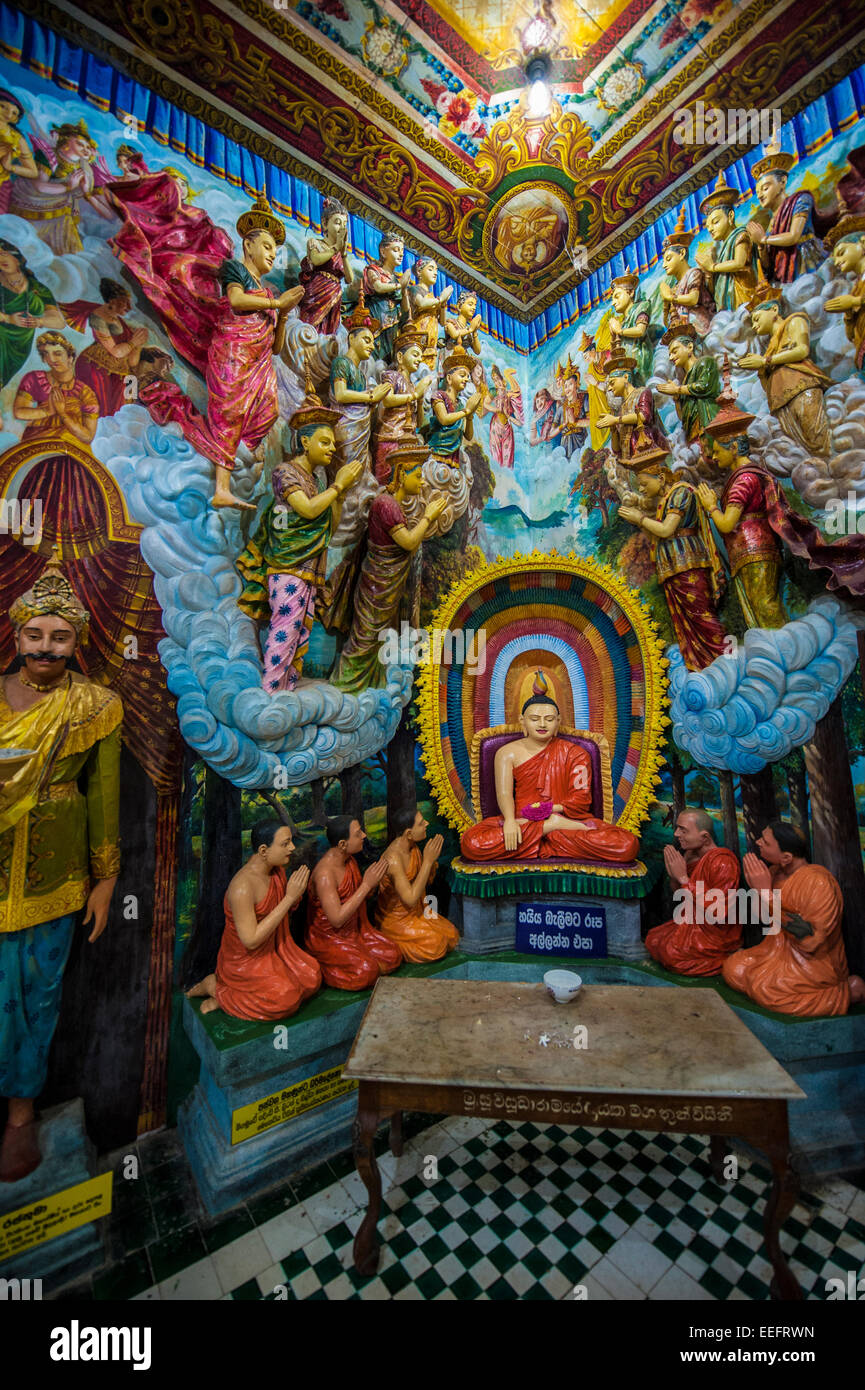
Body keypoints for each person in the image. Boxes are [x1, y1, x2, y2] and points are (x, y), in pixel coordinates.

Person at [0, 553, 122, 1181]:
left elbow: (103, 797)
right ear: (16, 635)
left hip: (56, 872)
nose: (46, 648)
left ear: (76, 642)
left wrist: (105, 879)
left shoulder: (93, 706)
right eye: (35, 635)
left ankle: (21, 1115)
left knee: (37, 994)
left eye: (60, 637)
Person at [140, 196, 304, 508]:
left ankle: (232, 460)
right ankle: (222, 486)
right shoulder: (235, 270)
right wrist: (275, 305)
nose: (272, 255)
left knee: (268, 411)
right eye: (267, 247)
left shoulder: (269, 292)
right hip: (233, 351)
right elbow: (237, 302)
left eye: (275, 250)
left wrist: (283, 315)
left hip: (260, 361)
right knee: (230, 411)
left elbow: (278, 347)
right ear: (249, 246)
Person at [235, 385, 362, 692]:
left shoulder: (317, 481)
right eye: (325, 441)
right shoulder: (285, 473)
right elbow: (305, 511)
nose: (331, 448)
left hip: (308, 569)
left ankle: (286, 693)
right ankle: (270, 696)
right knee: (284, 633)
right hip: (287, 566)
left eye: (333, 443)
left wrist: (339, 489)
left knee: (300, 636)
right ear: (305, 441)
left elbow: (328, 523)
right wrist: (337, 486)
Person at [459, 686, 639, 863]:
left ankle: (543, 838)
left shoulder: (575, 753)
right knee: (471, 843)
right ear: (523, 721)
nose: (542, 724)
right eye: (535, 719)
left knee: (627, 845)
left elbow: (582, 800)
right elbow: (504, 793)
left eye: (549, 719)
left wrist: (550, 810)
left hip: (567, 822)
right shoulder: (507, 753)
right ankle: (548, 830)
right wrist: (509, 822)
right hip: (522, 822)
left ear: (558, 721)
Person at [326, 444, 446, 692]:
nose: (422, 482)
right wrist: (428, 516)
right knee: (366, 639)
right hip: (376, 585)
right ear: (402, 474)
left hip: (385, 586)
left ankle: (368, 688)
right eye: (418, 475)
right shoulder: (386, 504)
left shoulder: (393, 505)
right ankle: (345, 687)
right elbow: (409, 542)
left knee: (377, 641)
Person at [722, 823, 865, 1016]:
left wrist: (766, 895)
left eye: (765, 842)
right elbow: (766, 919)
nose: (758, 843)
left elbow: (810, 940)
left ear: (786, 857)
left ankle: (849, 992)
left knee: (765, 989)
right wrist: (758, 889)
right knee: (734, 968)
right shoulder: (772, 873)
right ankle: (763, 977)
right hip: (775, 952)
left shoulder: (818, 883)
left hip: (811, 961)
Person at [186, 822, 320, 1020]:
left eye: (291, 842)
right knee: (286, 999)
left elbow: (282, 910)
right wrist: (289, 898)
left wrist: (295, 894)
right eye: (285, 844)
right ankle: (215, 988)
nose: (292, 848)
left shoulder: (277, 871)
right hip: (245, 962)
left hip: (276, 951)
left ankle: (231, 993)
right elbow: (250, 940)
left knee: (312, 976)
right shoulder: (242, 887)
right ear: (264, 850)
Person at [619, 460, 727, 670]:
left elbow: (667, 529)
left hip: (688, 562)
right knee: (687, 624)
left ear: (660, 478)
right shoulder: (665, 500)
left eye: (642, 483)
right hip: (673, 568)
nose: (641, 489)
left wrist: (639, 518)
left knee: (703, 619)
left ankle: (723, 663)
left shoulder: (681, 493)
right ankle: (700, 669)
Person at [305, 816, 401, 991]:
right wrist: (366, 885)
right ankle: (327, 968)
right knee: (367, 971)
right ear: (342, 844)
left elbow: (357, 899)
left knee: (392, 954)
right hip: (330, 939)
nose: (364, 836)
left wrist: (374, 884)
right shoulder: (325, 874)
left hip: (355, 932)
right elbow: (336, 919)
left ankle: (362, 959)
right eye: (358, 834)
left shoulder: (349, 861)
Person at [645, 810, 742, 976]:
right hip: (691, 922)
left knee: (672, 955)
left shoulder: (723, 862)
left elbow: (719, 912)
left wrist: (683, 878)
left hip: (716, 931)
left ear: (704, 837)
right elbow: (682, 896)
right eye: (677, 829)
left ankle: (727, 957)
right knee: (653, 939)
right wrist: (674, 877)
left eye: (683, 830)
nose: (676, 834)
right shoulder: (691, 855)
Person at [739, 290, 832, 457]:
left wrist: (765, 361)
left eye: (756, 319)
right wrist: (761, 369)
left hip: (802, 388)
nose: (754, 326)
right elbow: (768, 385)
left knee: (817, 439)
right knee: (802, 448)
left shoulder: (794, 321)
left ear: (774, 310)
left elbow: (802, 350)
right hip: (780, 401)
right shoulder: (770, 348)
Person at [376, 809, 460, 962]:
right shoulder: (393, 859)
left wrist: (431, 863)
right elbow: (410, 899)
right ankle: (392, 944)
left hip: (418, 911)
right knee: (436, 944)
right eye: (421, 823)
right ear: (408, 834)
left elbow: (424, 883)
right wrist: (428, 862)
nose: (427, 824)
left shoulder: (413, 848)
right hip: (398, 920)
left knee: (452, 934)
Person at [62, 277, 148, 417]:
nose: (128, 307)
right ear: (112, 301)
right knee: (102, 410)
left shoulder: (119, 320)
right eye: (124, 302)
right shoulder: (98, 318)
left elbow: (132, 362)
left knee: (122, 406)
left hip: (118, 371)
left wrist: (139, 344)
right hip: (97, 369)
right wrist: (134, 342)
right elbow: (116, 352)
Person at [750, 134, 826, 284]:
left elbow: (794, 236)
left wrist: (764, 239)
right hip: (783, 272)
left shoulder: (800, 200)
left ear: (782, 182)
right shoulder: (772, 222)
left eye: (765, 188)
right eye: (758, 192)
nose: (760, 195)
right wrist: (760, 246)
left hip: (806, 258)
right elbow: (768, 266)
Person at [13, 331, 99, 448]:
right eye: (46, 354)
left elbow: (87, 436)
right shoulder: (34, 379)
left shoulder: (86, 393)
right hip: (38, 443)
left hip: (72, 448)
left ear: (70, 357)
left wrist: (62, 414)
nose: (51, 359)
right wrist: (48, 411)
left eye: (57, 354)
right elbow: (19, 412)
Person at [0, 237, 65, 388]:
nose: (1, 258)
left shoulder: (37, 288)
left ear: (19, 257)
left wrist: (38, 321)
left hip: (19, 346)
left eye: (5, 253)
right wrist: (8, 318)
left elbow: (59, 321)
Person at [695, 169, 762, 312]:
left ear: (730, 216)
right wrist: (708, 273)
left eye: (716, 222)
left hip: (745, 296)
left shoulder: (741, 235)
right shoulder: (720, 252)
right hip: (729, 306)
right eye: (708, 226)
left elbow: (739, 263)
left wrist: (713, 266)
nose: (711, 229)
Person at [371, 326, 429, 483]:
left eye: (421, 357)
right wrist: (414, 395)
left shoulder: (412, 385)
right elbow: (387, 399)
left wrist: (420, 398)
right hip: (390, 437)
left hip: (407, 441)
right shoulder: (392, 376)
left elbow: (420, 422)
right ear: (400, 356)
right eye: (415, 355)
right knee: (385, 482)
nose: (419, 359)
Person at [298, 197, 355, 334]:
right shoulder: (316, 243)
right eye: (337, 222)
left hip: (334, 295)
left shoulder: (341, 254)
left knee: (328, 331)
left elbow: (349, 279)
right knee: (311, 327)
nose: (341, 228)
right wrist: (336, 248)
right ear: (324, 223)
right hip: (317, 290)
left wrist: (344, 253)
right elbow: (316, 260)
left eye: (344, 224)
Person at [656, 322, 721, 442]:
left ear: (690, 347)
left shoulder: (705, 363)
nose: (671, 358)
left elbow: (704, 387)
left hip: (709, 423)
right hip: (693, 433)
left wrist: (677, 390)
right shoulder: (685, 381)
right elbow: (682, 417)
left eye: (674, 351)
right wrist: (676, 398)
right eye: (669, 354)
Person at [657, 209, 715, 338]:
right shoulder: (675, 287)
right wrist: (666, 305)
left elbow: (693, 299)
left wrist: (670, 297)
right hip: (685, 331)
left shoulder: (694, 273)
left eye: (669, 259)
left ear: (682, 254)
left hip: (700, 324)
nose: (664, 265)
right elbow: (667, 322)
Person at [426, 348, 482, 466]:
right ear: (449, 378)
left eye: (467, 376)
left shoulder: (460, 405)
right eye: (462, 375)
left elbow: (468, 435)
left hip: (454, 457)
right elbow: (444, 419)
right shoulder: (439, 396)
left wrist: (470, 415)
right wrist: (466, 411)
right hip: (437, 453)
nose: (466, 379)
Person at [362, 231, 410, 361]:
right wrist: (399, 286)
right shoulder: (374, 270)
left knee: (388, 355)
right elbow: (378, 287)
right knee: (374, 349)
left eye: (402, 251)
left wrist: (404, 289)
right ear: (383, 252)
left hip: (393, 321)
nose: (400, 254)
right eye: (396, 250)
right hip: (377, 315)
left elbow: (405, 310)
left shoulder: (396, 279)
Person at [825, 231, 865, 371]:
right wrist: (848, 313)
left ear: (862, 243)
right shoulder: (856, 289)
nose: (836, 262)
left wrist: (856, 301)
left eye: (841, 253)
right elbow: (851, 336)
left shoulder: (855, 295)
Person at [607, 270, 653, 384]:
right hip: (627, 370)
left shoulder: (642, 307)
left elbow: (640, 330)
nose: (613, 302)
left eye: (617, 296)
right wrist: (614, 336)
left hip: (640, 361)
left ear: (631, 292)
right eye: (612, 299)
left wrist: (620, 331)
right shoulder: (622, 323)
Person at [482, 363, 523, 469]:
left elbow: (517, 391)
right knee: (496, 456)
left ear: (502, 379)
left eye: (498, 379)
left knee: (507, 457)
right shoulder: (494, 392)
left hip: (507, 429)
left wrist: (508, 375)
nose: (496, 382)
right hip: (496, 427)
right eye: (494, 380)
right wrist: (495, 409)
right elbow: (485, 403)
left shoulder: (508, 394)